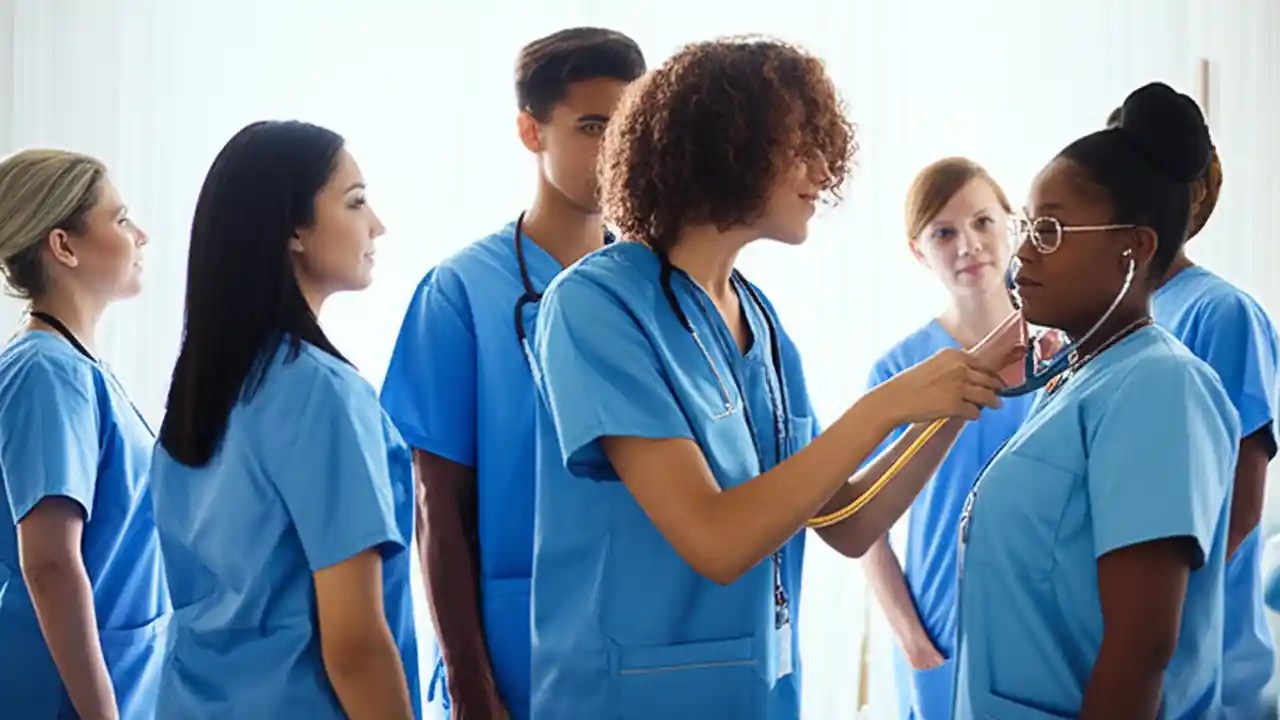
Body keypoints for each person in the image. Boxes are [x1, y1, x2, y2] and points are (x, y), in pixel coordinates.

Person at [528, 37, 1024, 719]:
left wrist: (958, 394)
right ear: (726, 145)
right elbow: (717, 539)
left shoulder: (758, 320)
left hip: (756, 693)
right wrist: (885, 407)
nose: (823, 170)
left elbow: (844, 521)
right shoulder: (595, 306)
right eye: (802, 145)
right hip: (628, 697)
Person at [380, 28, 645, 720]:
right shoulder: (461, 292)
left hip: (644, 647)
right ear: (532, 131)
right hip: (515, 656)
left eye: (628, 127)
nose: (615, 150)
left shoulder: (654, 288)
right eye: (593, 127)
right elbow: (436, 506)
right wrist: (469, 682)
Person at [954, 82, 1238, 719]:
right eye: (1027, 225)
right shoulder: (1075, 379)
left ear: (1131, 248)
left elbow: (1141, 650)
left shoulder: (1160, 386)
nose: (1021, 252)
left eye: (1049, 229)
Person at [151, 121, 418, 719]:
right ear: (293, 229)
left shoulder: (199, 393)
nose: (377, 224)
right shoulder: (322, 394)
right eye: (355, 202)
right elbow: (354, 646)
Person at [1107, 106, 1280, 717]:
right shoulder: (1114, 316)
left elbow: (1240, 504)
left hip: (1206, 671)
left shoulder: (1221, 313)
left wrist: (1155, 618)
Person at [861, 158, 1035, 720]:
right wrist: (911, 636)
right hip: (939, 628)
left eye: (983, 222)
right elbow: (864, 525)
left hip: (1043, 624)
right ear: (919, 251)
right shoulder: (898, 371)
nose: (969, 245)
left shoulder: (1061, 355)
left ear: (1012, 225)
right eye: (944, 232)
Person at [0, 149, 168, 720]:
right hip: (63, 700)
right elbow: (49, 562)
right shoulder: (46, 372)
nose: (140, 235)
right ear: (63, 246)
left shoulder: (79, 369)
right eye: (120, 219)